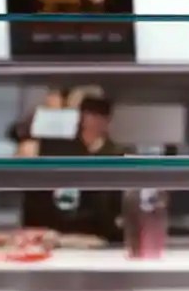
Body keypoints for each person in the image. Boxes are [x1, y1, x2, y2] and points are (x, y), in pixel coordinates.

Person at [20, 94, 130, 241]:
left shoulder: (116, 153)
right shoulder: (59, 147)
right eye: (90, 114)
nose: (94, 120)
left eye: (100, 115)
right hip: (57, 229)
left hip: (100, 232)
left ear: (107, 120)